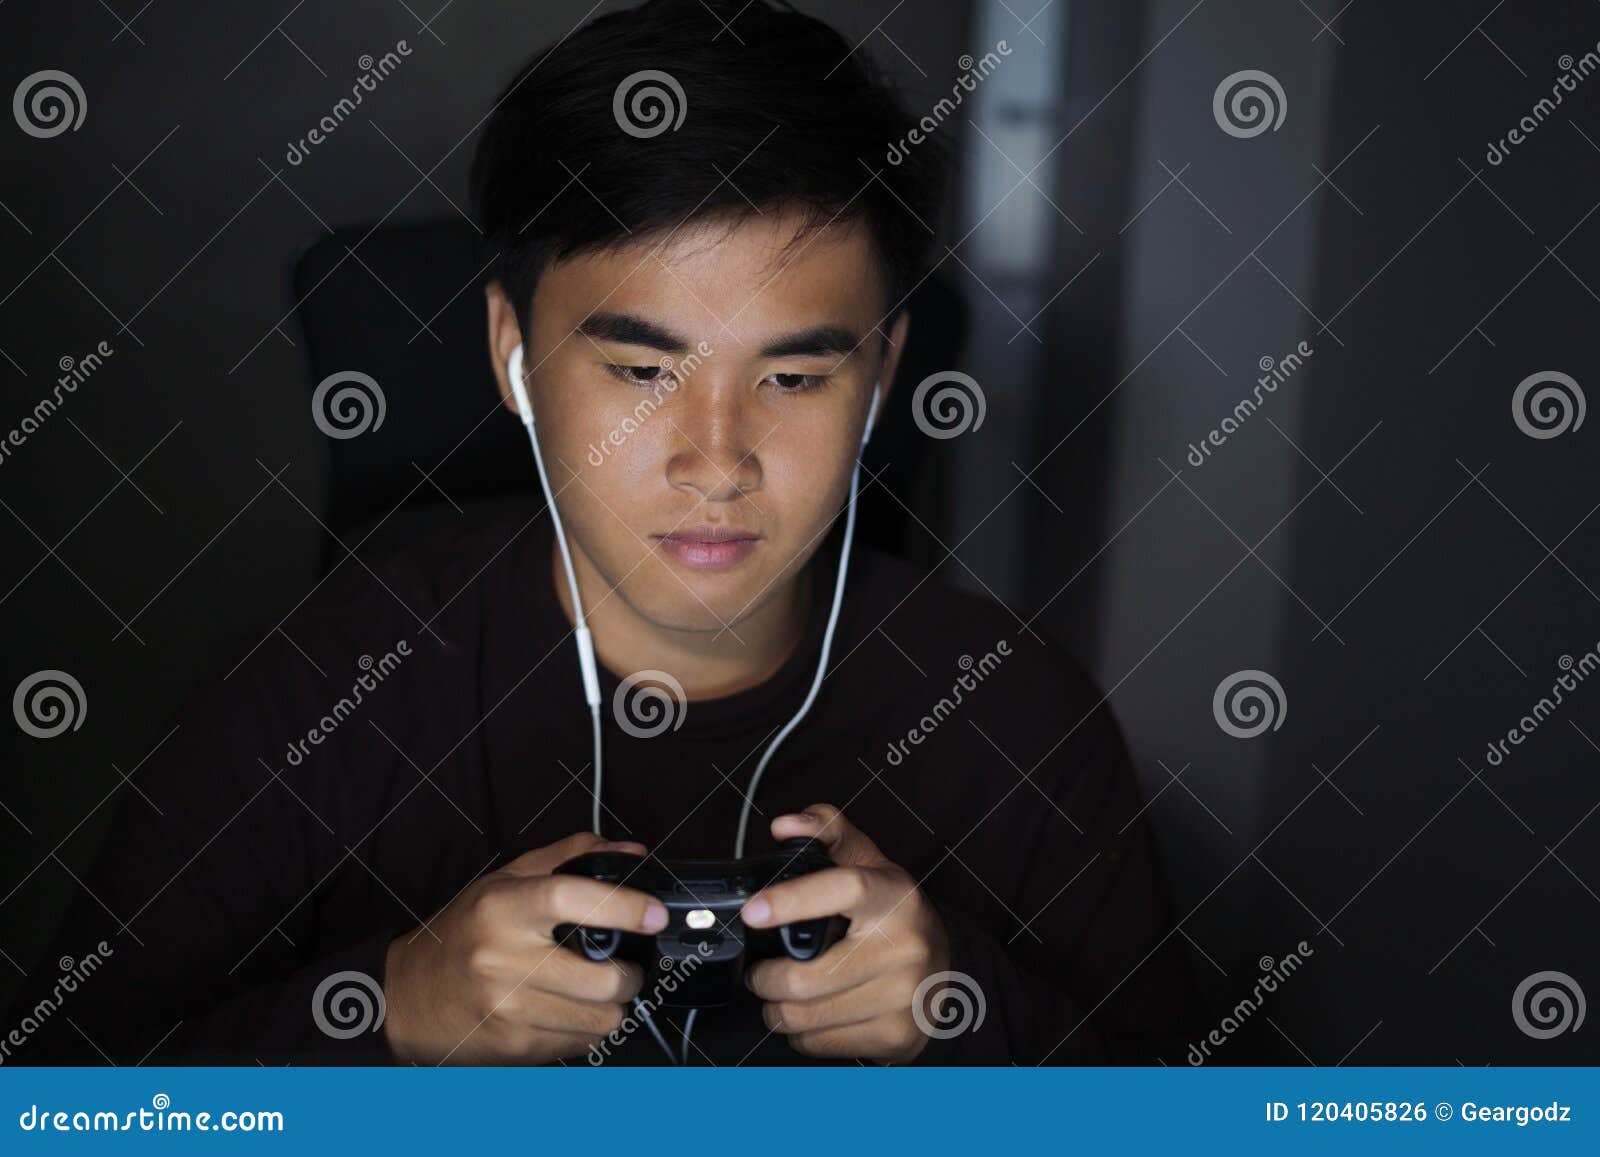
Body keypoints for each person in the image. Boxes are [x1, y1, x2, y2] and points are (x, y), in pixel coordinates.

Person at [4, 0, 1207, 1067]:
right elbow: (66, 1101)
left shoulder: (1014, 714)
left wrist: (970, 1017)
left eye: (793, 379)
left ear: (883, 373)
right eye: (641, 368)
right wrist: (380, 1011)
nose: (717, 459)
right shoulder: (316, 686)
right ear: (511, 353)